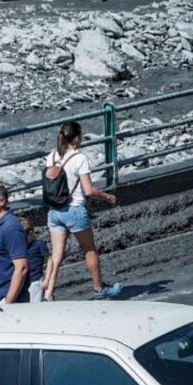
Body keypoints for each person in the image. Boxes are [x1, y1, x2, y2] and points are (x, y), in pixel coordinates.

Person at [41, 121, 121, 301]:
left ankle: (48, 292)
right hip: (75, 210)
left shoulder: (51, 157)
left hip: (54, 211)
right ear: (77, 138)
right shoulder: (79, 159)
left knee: (56, 254)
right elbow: (89, 191)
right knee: (89, 250)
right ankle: (99, 288)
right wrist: (108, 197)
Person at [20, 217, 52, 304]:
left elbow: (49, 260)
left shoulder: (39, 244)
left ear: (30, 232)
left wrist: (46, 279)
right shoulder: (20, 247)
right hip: (22, 281)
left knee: (36, 304)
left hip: (36, 280)